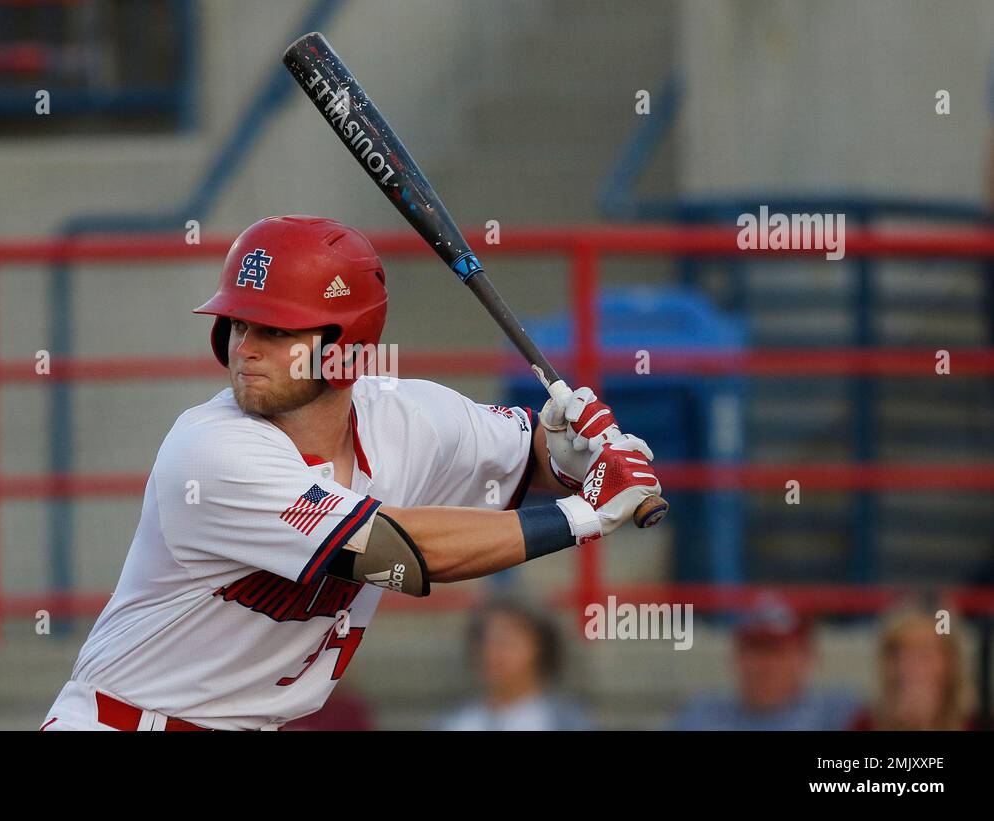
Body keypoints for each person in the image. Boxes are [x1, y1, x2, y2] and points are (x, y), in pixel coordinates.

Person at [41, 215, 661, 731]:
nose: (245, 348)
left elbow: (529, 456)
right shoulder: (211, 452)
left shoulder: (406, 418)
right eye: (239, 323)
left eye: (275, 329)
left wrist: (575, 455)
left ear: (346, 342)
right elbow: (399, 551)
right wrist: (585, 515)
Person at [669, 592, 859, 731]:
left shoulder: (837, 715)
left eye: (775, 652)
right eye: (753, 650)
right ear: (734, 657)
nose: (762, 665)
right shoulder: (700, 715)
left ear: (807, 658)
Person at [437, 598, 592, 731]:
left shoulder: (565, 723)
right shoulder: (456, 722)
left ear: (540, 648)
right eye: (484, 640)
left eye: (506, 641)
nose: (492, 652)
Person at [847, 609, 975, 731]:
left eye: (923, 655)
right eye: (897, 655)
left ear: (949, 664)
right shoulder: (864, 723)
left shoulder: (974, 724)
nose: (907, 668)